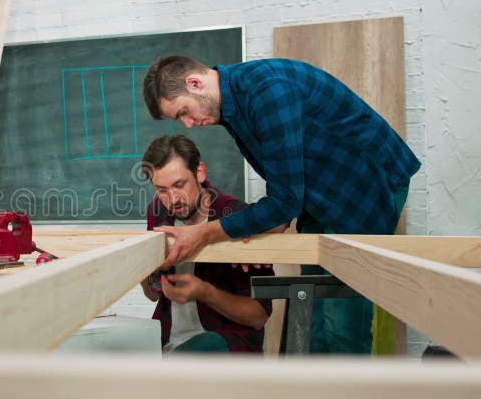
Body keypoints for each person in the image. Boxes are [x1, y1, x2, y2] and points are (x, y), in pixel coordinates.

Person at [142, 56, 421, 354]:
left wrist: (208, 232)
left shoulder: (266, 91)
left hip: (366, 188)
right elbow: (286, 185)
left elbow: (285, 200)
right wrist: (259, 230)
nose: (188, 124)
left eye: (184, 111)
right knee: (313, 321)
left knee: (342, 325)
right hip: (320, 196)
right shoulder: (234, 110)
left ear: (194, 83)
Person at [139, 134, 274, 354]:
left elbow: (258, 317)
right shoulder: (158, 211)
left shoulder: (236, 216)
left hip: (225, 344)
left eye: (179, 184)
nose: (173, 199)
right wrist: (152, 268)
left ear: (200, 172)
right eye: (162, 190)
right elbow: (152, 294)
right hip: (167, 342)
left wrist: (205, 293)